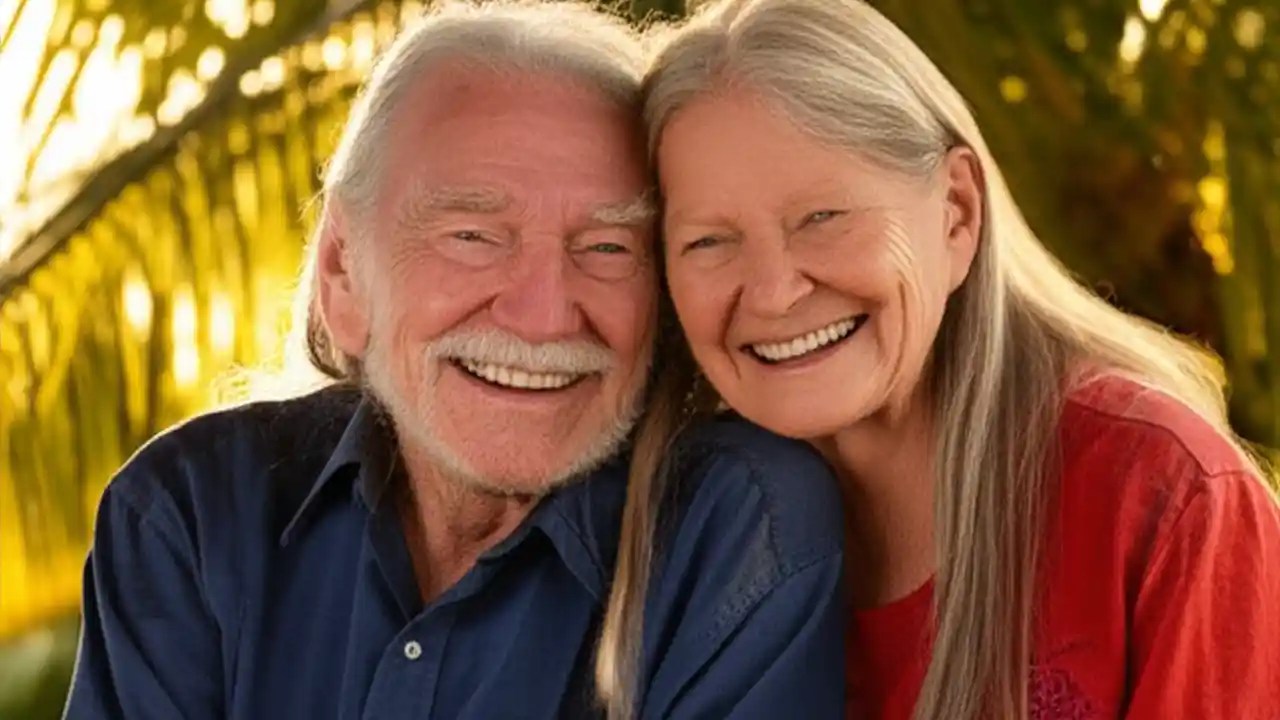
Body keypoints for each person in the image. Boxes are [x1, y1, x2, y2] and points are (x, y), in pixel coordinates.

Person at [63, 3, 847, 718]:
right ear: (342, 271)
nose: (545, 316)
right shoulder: (192, 515)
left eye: (609, 246)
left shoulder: (739, 527)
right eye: (474, 237)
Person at [598, 0, 1280, 717]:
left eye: (823, 218)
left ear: (956, 210)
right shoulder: (664, 536)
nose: (772, 293)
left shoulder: (1165, 495)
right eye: (708, 241)